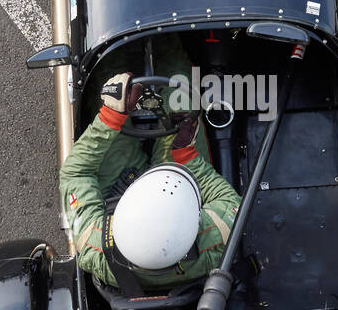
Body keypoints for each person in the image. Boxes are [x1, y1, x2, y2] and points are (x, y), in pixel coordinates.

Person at [60, 68, 241, 292]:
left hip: (118, 185)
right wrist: (185, 155)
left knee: (106, 77)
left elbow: (75, 173)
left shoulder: (94, 248)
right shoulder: (217, 238)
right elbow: (230, 202)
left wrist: (111, 116)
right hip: (176, 168)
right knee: (180, 80)